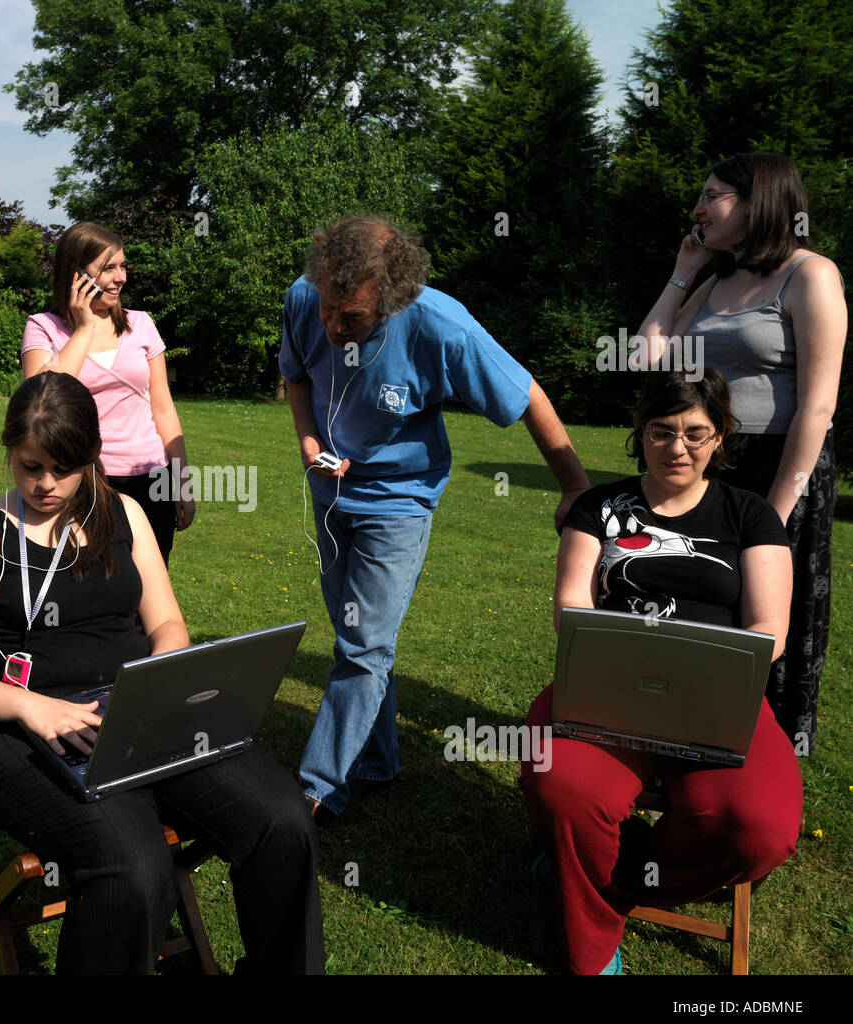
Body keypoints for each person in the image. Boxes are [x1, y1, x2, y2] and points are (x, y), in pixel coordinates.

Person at [0, 372, 323, 974]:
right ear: (10, 452)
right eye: (30, 467)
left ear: (92, 457)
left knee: (283, 818)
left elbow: (169, 629)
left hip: (139, 718)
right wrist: (32, 706)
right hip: (25, 733)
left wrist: (156, 692)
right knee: (132, 865)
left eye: (62, 468)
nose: (46, 484)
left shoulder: (125, 515)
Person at [279, 215, 591, 820]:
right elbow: (295, 374)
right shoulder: (304, 296)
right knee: (360, 638)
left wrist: (575, 487)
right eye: (328, 307)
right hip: (330, 495)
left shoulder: (442, 324)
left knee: (365, 645)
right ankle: (376, 760)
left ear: (394, 300)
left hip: (399, 499)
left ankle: (316, 791)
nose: (333, 326)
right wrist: (309, 443)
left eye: (354, 318)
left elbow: (526, 395)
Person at [520, 370, 801, 975]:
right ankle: (592, 937)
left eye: (696, 434)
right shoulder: (599, 507)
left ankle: (594, 877)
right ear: (640, 435)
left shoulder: (749, 515)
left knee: (761, 828)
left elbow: (770, 626)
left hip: (717, 697)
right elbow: (572, 605)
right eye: (662, 432)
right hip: (608, 688)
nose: (678, 448)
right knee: (561, 784)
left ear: (721, 436)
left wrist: (715, 667)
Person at [638, 152, 845, 753]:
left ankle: (765, 755)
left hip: (780, 464)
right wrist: (683, 270)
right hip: (703, 461)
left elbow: (818, 408)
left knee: (768, 608)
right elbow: (649, 362)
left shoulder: (811, 276)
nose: (698, 207)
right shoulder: (712, 282)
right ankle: (679, 729)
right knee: (694, 590)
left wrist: (775, 515)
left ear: (756, 202)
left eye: (712, 195)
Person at [21, 222, 193, 565]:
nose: (121, 278)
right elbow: (41, 396)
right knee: (91, 582)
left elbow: (164, 409)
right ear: (75, 275)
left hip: (152, 478)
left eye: (123, 266)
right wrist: (84, 328)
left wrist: (183, 484)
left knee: (149, 586)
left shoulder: (140, 323)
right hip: (84, 479)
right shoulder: (42, 327)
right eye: (108, 268)